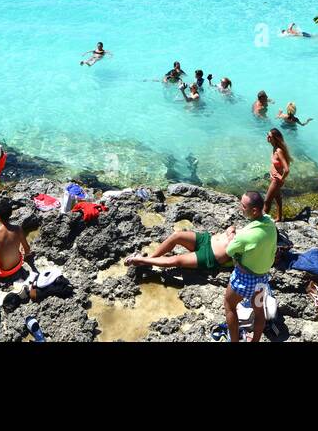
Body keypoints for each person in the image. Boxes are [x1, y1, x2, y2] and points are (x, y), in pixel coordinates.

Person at [223, 192, 278, 343]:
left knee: (229, 305)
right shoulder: (270, 222)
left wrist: (231, 235)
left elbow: (229, 251)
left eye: (243, 206)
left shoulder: (245, 235)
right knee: (259, 311)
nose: (240, 208)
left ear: (254, 211)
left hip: (243, 280)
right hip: (261, 280)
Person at [125, 223, 237, 272]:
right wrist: (231, 232)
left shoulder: (252, 245)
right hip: (206, 239)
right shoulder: (250, 228)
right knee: (177, 235)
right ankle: (150, 260)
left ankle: (140, 260)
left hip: (210, 256)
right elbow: (232, 227)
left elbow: (241, 262)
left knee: (176, 260)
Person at [0, 199, 36, 282]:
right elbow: (27, 248)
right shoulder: (18, 229)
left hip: (3, 272)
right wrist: (26, 256)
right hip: (18, 265)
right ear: (10, 214)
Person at [264, 129, 291, 222]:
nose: (267, 137)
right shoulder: (274, 147)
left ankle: (262, 223)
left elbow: (287, 169)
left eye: (270, 136)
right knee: (277, 198)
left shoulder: (279, 151)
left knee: (267, 201)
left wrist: (281, 179)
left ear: (275, 139)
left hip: (276, 180)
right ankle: (279, 217)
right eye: (267, 135)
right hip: (274, 178)